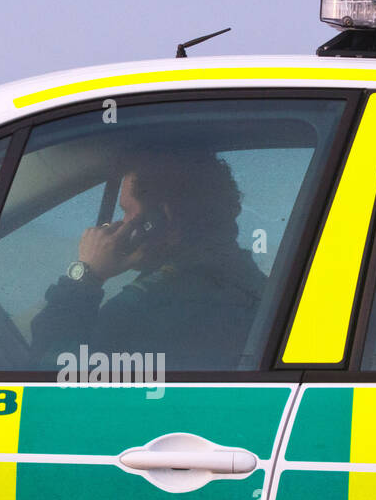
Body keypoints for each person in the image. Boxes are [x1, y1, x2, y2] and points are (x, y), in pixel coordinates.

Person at [27, 150, 267, 370]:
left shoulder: (151, 306)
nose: (117, 225)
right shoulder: (250, 285)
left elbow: (47, 370)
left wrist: (85, 277)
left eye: (127, 211)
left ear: (160, 219)